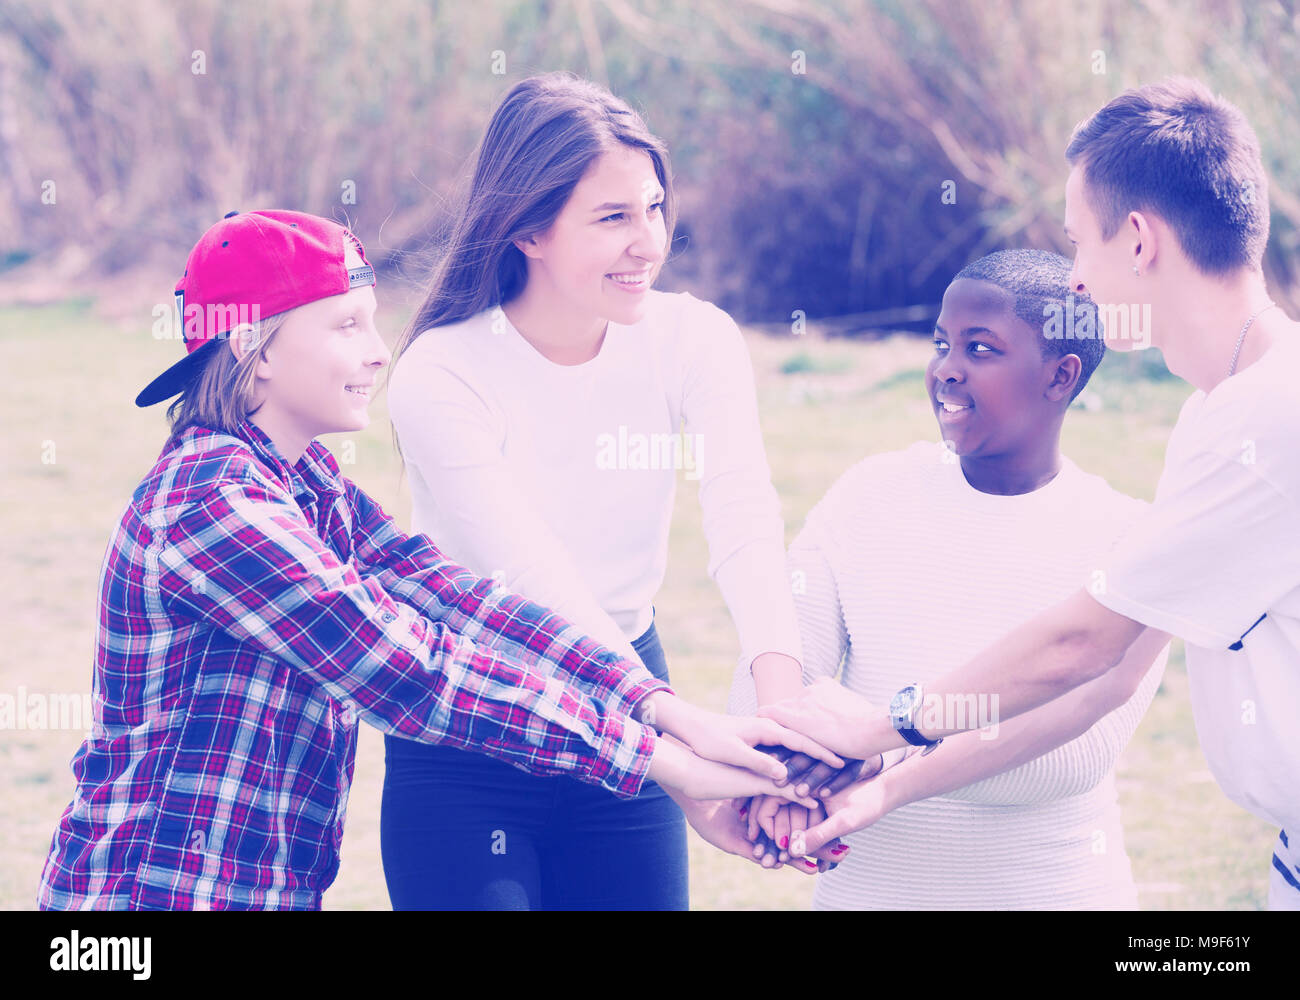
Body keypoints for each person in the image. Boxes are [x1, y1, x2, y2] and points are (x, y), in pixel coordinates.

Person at [36, 209, 837, 910]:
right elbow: (410, 668)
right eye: (346, 326)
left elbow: (451, 599)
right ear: (257, 349)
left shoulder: (305, 481)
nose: (380, 353)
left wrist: (663, 708)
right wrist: (664, 762)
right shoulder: (214, 504)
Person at [762, 78, 1300, 910]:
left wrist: (875, 727)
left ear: (1138, 241)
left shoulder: (1268, 419)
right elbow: (1106, 681)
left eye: (1078, 242)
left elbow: (1079, 647)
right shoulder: (1217, 415)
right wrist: (886, 788)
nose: (1075, 280)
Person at [381, 72, 849, 909]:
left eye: (655, 209)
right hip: (473, 732)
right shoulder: (442, 372)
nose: (649, 243)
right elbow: (534, 579)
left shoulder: (694, 338)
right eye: (613, 218)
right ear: (526, 228)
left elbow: (741, 513)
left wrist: (779, 731)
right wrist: (684, 732)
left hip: (634, 700)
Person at [730, 249, 1170, 907]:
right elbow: (774, 677)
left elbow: (1069, 756)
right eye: (941, 344)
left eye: (981, 349)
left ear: (1060, 376)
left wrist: (877, 745)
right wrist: (785, 781)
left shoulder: (1125, 536)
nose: (946, 370)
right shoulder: (867, 494)